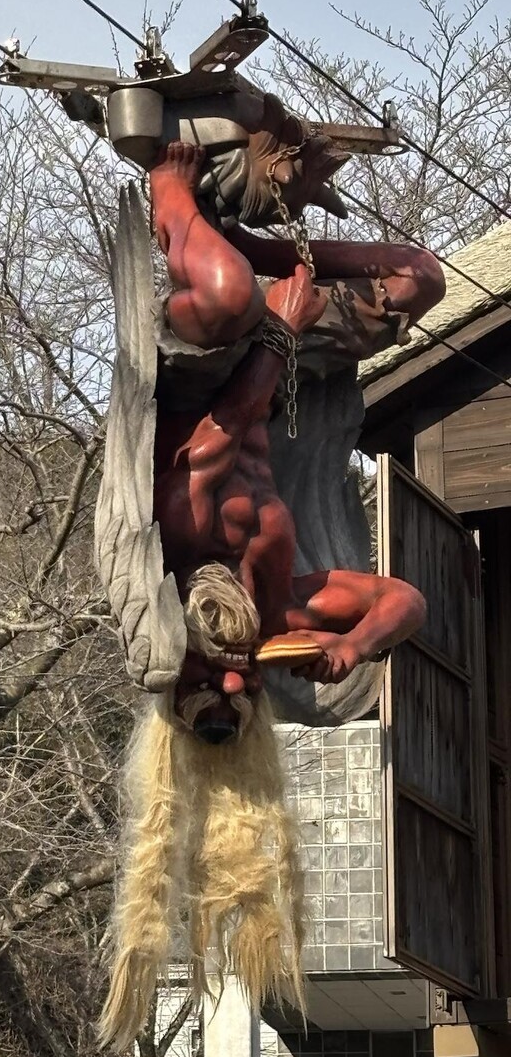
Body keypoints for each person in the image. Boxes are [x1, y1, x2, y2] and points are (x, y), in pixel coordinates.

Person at [147, 140, 440, 743]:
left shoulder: (175, 551)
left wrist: (281, 325)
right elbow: (403, 600)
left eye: (205, 688)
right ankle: (246, 244)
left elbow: (220, 428)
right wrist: (352, 648)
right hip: (277, 376)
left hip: (204, 371)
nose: (231, 683)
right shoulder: (279, 610)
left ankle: (171, 196)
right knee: (417, 279)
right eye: (241, 695)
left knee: (230, 294)